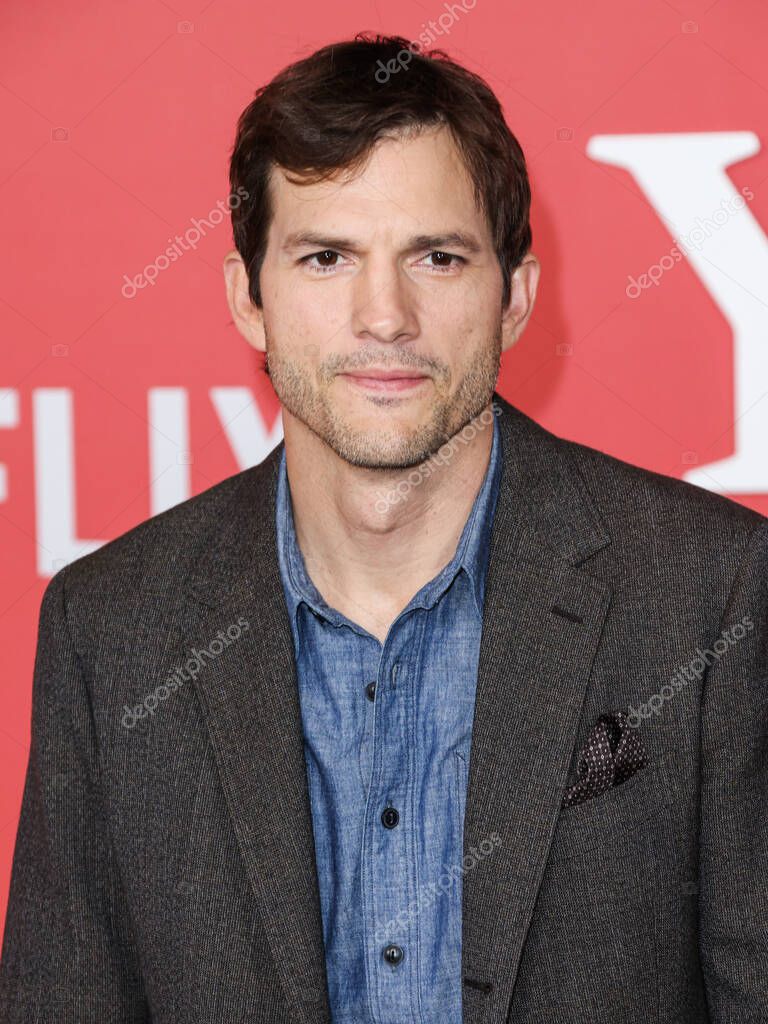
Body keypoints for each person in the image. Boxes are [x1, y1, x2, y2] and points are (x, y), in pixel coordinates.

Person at [1, 32, 766, 1024]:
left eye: (436, 257)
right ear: (250, 298)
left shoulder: (713, 593)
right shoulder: (112, 632)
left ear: (516, 297)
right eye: (327, 257)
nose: (385, 315)